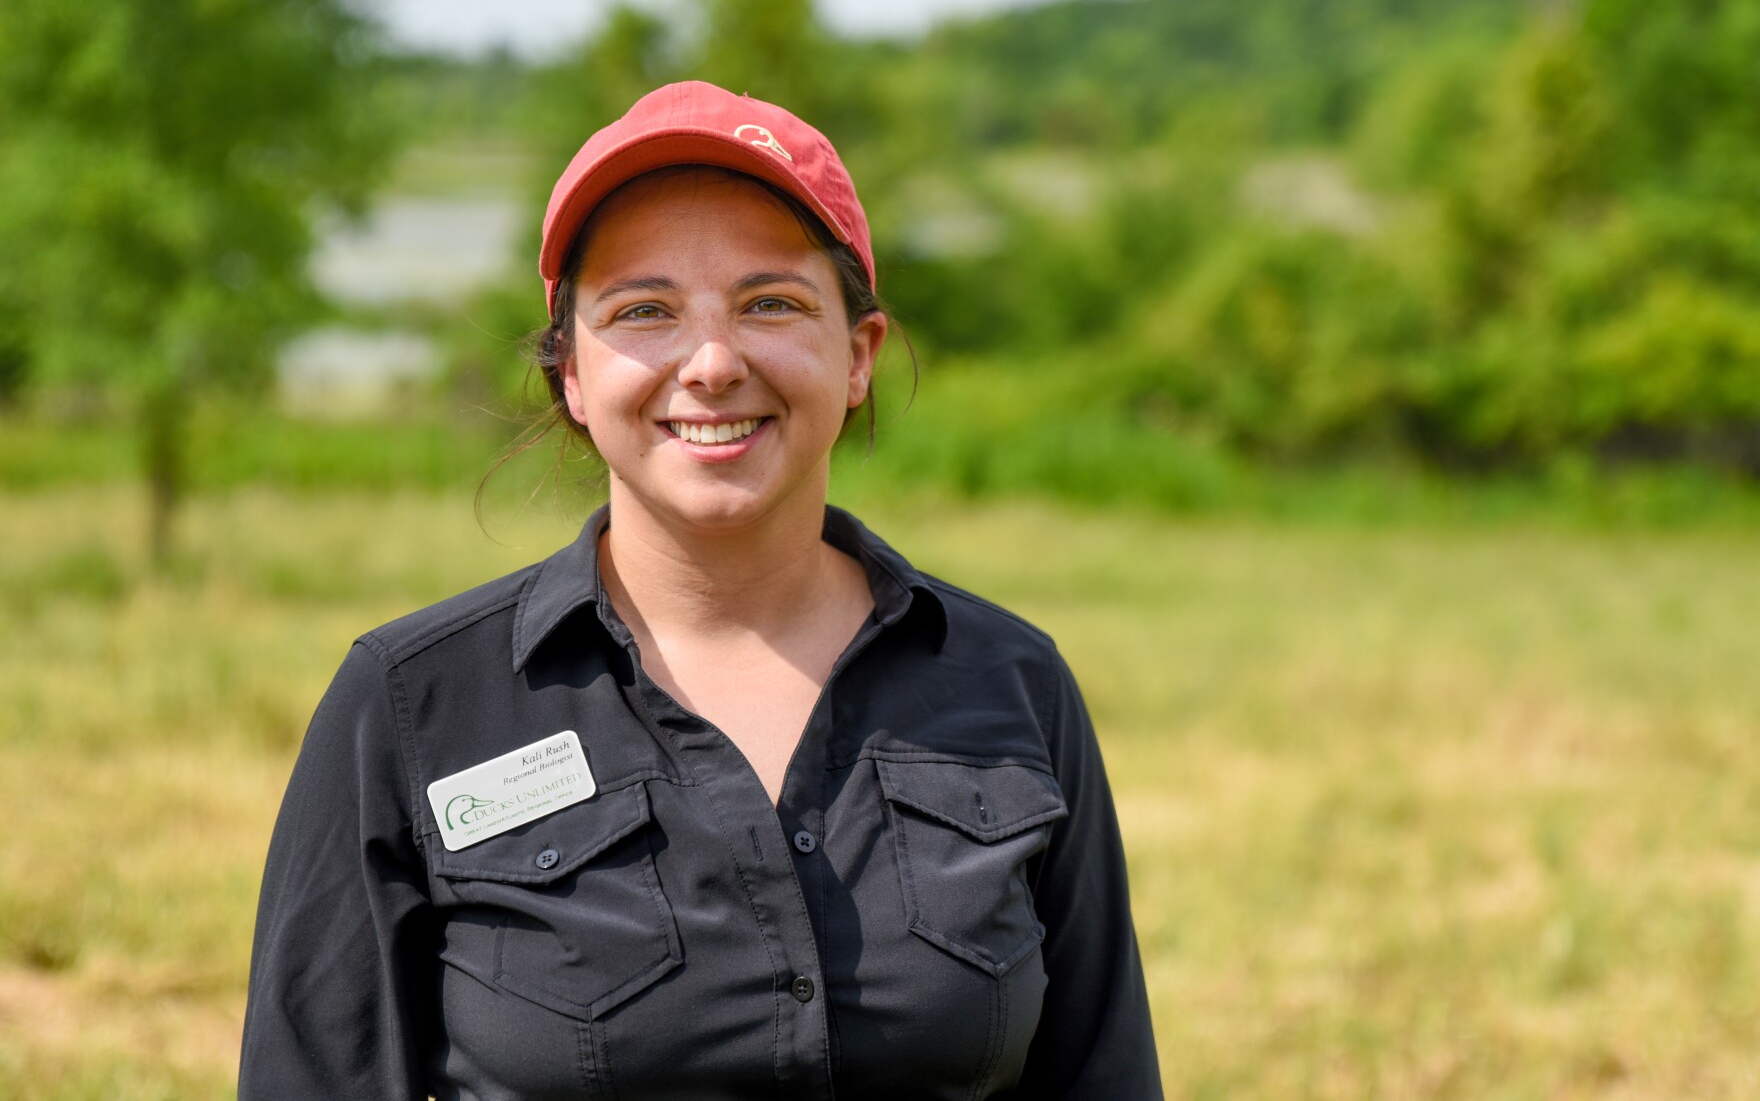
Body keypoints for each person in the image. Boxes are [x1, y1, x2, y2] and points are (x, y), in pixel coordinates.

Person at [239, 80, 1161, 1099]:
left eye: (771, 303)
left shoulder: (1011, 683)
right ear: (572, 377)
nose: (712, 363)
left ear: (857, 355)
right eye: (645, 311)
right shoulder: (411, 706)